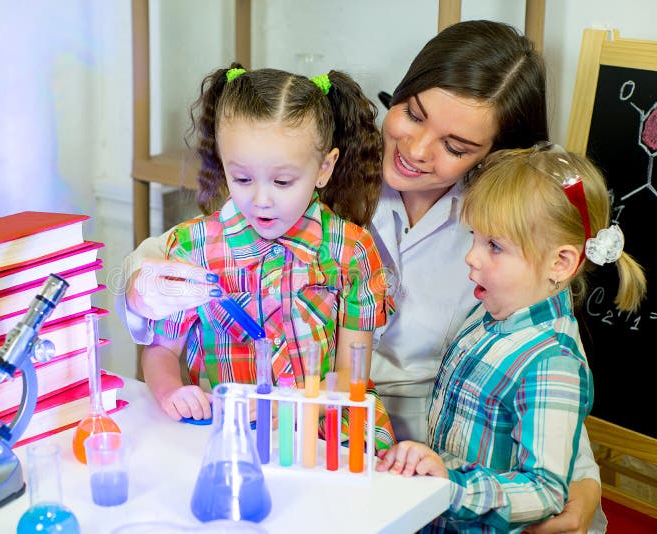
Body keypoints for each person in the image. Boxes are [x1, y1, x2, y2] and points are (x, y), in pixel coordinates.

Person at [116, 20, 603, 532]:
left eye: (455, 147)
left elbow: (540, 358)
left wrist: (582, 477)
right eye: (413, 114)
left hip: (422, 459)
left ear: (494, 159)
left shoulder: (500, 233)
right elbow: (181, 255)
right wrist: (141, 282)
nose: (416, 151)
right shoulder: (310, 173)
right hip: (298, 430)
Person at [375, 144, 646, 532]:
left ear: (561, 262)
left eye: (494, 246)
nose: (471, 256)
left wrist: (450, 487)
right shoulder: (489, 311)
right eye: (475, 237)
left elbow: (544, 490)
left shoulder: (552, 362)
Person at [140, 63, 396, 449]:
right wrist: (171, 392)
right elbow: (161, 348)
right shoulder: (193, 249)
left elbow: (351, 372)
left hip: (328, 435)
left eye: (282, 182)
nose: (261, 199)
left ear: (324, 168)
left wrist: (300, 403)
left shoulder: (352, 250)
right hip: (227, 437)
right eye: (241, 178)